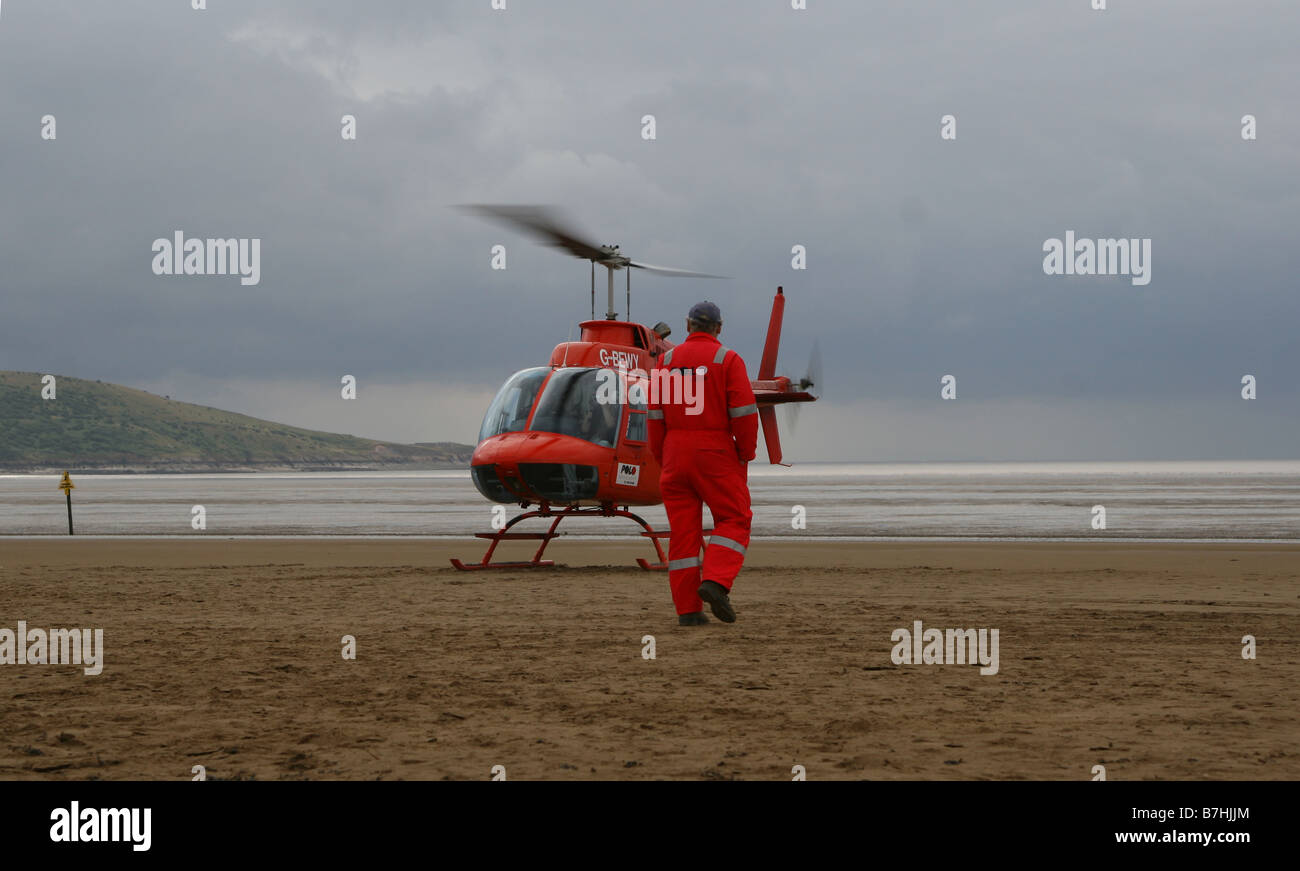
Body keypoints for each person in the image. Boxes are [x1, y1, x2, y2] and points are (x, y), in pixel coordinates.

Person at [648, 301, 758, 626]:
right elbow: (743, 413)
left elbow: (654, 416)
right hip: (715, 451)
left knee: (683, 535)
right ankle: (715, 581)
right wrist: (745, 453)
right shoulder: (728, 359)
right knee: (735, 518)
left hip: (674, 453)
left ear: (687, 325)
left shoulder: (665, 361)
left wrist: (662, 456)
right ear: (719, 328)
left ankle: (688, 611)